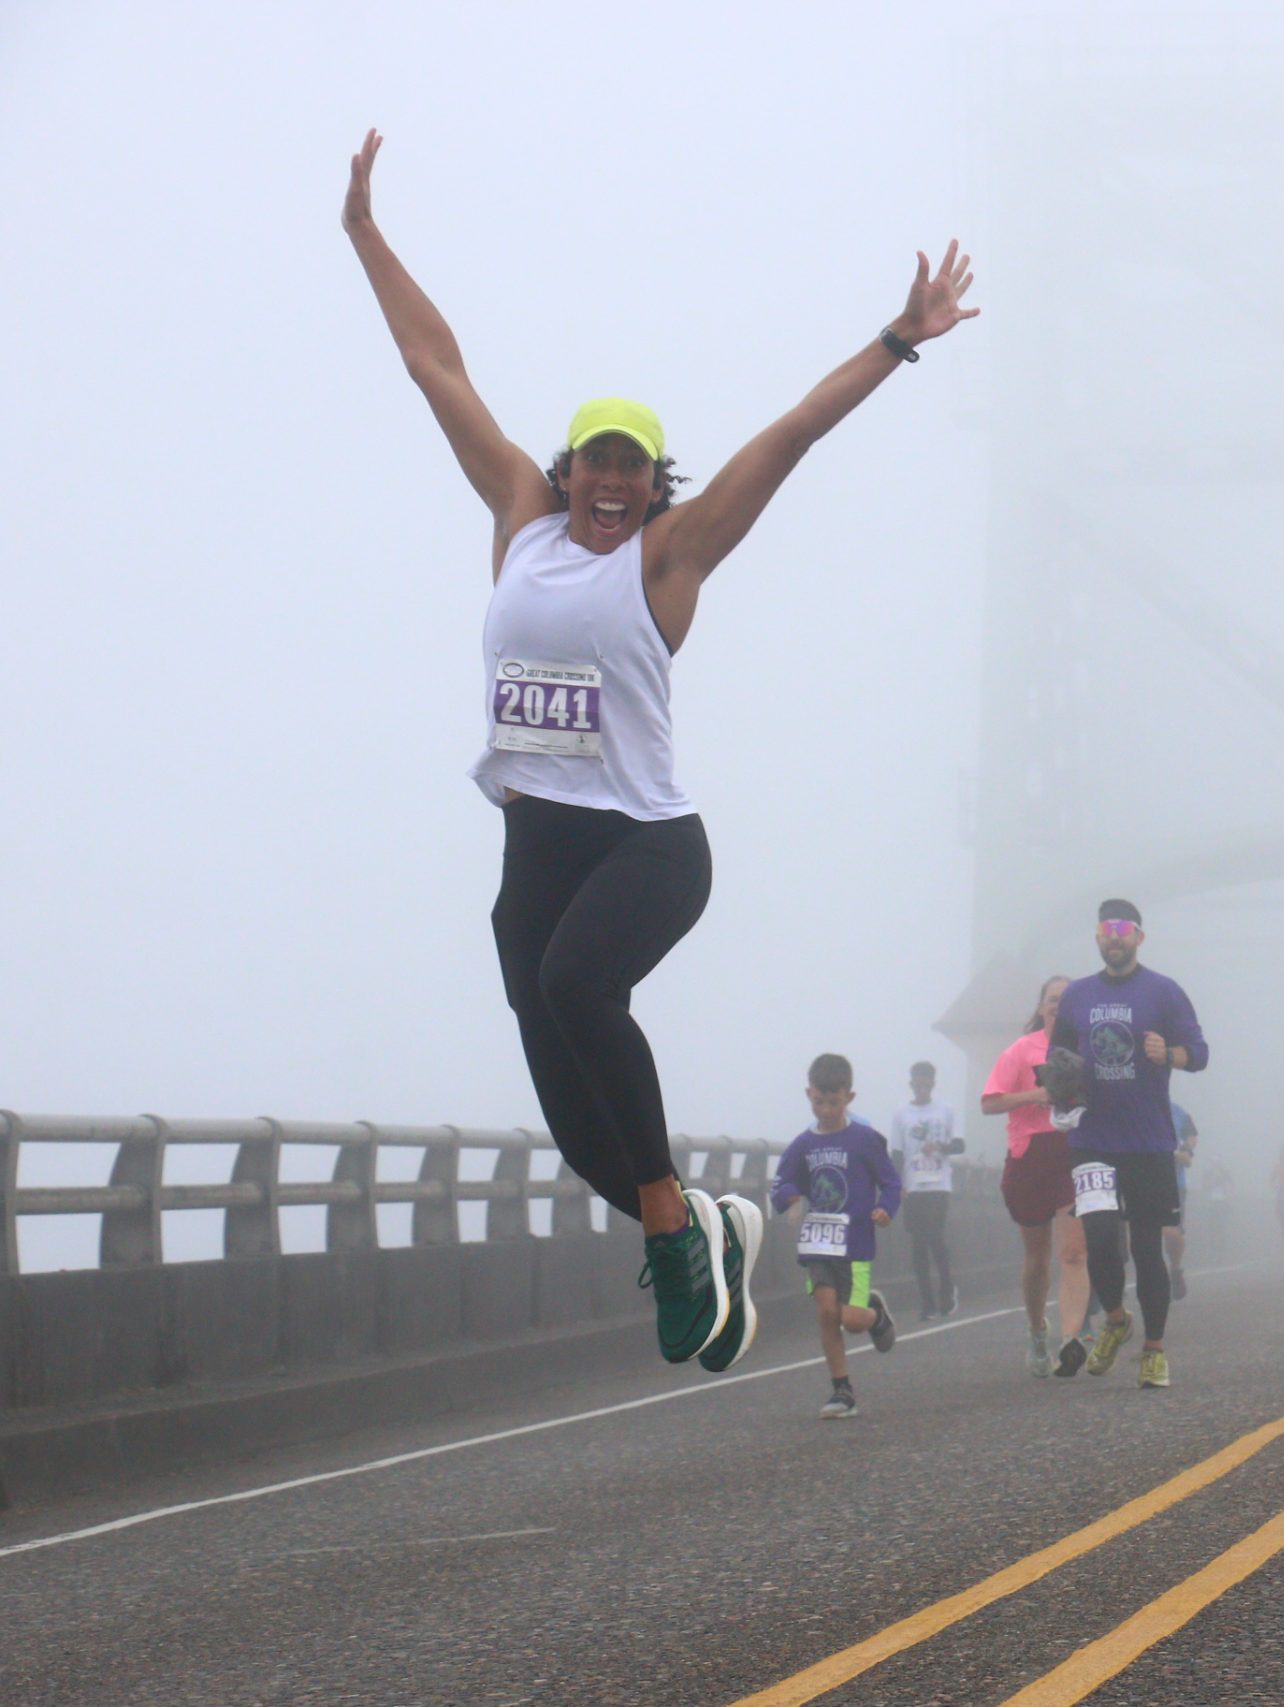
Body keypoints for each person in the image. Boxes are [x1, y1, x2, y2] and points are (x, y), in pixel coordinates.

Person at [340, 130, 976, 1370]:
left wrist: (898, 343)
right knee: (572, 1114)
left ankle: (683, 1241)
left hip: (646, 844)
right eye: (595, 463)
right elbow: (435, 365)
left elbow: (789, 435)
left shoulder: (668, 559)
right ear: (566, 468)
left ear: (651, 483)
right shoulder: (520, 520)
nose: (611, 484)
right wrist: (367, 234)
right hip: (535, 841)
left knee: (582, 989)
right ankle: (700, 1222)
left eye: (634, 466)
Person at [1049, 900, 1208, 1389]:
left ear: (1139, 936)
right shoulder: (1077, 996)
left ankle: (1154, 1351)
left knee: (1145, 1247)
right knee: (1098, 1238)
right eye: (1105, 929)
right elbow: (1058, 1059)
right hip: (1093, 1138)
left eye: (1122, 929)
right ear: (1097, 938)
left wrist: (1171, 1053)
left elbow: (1199, 1054)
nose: (1113, 937)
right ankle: (1116, 1320)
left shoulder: (1163, 991)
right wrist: (1060, 1095)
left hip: (1147, 1140)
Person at [769, 1054, 901, 1418]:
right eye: (818, 1102)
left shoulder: (864, 1140)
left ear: (849, 1098)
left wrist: (886, 1210)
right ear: (808, 1094)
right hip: (818, 1244)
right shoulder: (802, 1145)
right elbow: (781, 1181)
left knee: (852, 1320)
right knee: (827, 1313)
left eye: (834, 1102)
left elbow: (891, 1182)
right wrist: (791, 1201)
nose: (825, 1110)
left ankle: (875, 1316)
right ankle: (842, 1391)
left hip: (856, 1243)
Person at [985, 975, 1090, 1378]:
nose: (1058, 1007)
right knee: (1037, 1260)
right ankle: (1036, 1329)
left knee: (1074, 1253)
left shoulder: (1087, 1048)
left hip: (1074, 1154)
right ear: (1041, 1006)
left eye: (1067, 1000)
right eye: (1052, 1000)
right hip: (1029, 1158)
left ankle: (1070, 1341)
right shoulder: (1020, 1051)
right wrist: (1037, 1094)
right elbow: (989, 1103)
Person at [889, 1062, 965, 1319]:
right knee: (918, 1244)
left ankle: (946, 1288)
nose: (921, 1089)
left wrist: (940, 1147)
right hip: (913, 1185)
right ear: (911, 1084)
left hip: (939, 1183)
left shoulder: (946, 1110)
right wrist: (897, 1184)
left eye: (926, 1084)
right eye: (917, 1085)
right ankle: (927, 1303)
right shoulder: (901, 1114)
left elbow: (959, 1145)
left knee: (935, 1236)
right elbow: (897, 1153)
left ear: (932, 1084)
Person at [1166, 1102, 1200, 1300]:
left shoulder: (1177, 1112)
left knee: (1171, 1232)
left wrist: (1185, 1151)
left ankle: (1175, 1269)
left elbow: (1191, 1136)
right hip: (1141, 1180)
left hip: (1173, 1182)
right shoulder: (1133, 1106)